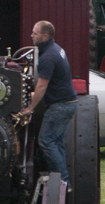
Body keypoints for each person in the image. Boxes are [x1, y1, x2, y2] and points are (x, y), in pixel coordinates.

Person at [24, 20, 79, 186]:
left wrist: (30, 108)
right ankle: (62, 181)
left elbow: (41, 86)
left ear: (45, 36)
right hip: (68, 103)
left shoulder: (48, 56)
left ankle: (63, 182)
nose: (31, 35)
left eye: (35, 33)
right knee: (56, 142)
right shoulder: (56, 49)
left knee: (46, 141)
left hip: (60, 106)